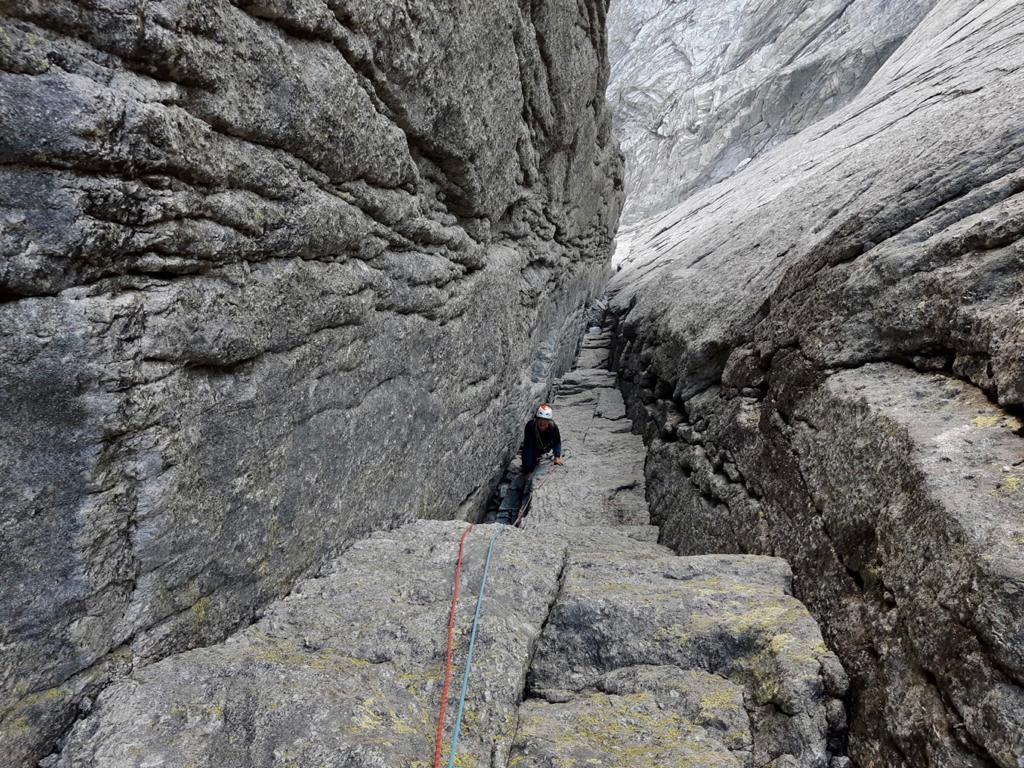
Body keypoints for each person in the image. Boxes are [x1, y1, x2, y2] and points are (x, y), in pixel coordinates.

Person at [496, 404, 564, 525]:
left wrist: (557, 456)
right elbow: (528, 445)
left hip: (546, 447)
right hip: (534, 447)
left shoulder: (553, 428)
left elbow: (557, 442)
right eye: (540, 420)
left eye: (545, 421)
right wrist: (528, 466)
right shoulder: (530, 426)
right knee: (528, 464)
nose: (542, 423)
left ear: (549, 421)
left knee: (530, 465)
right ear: (536, 418)